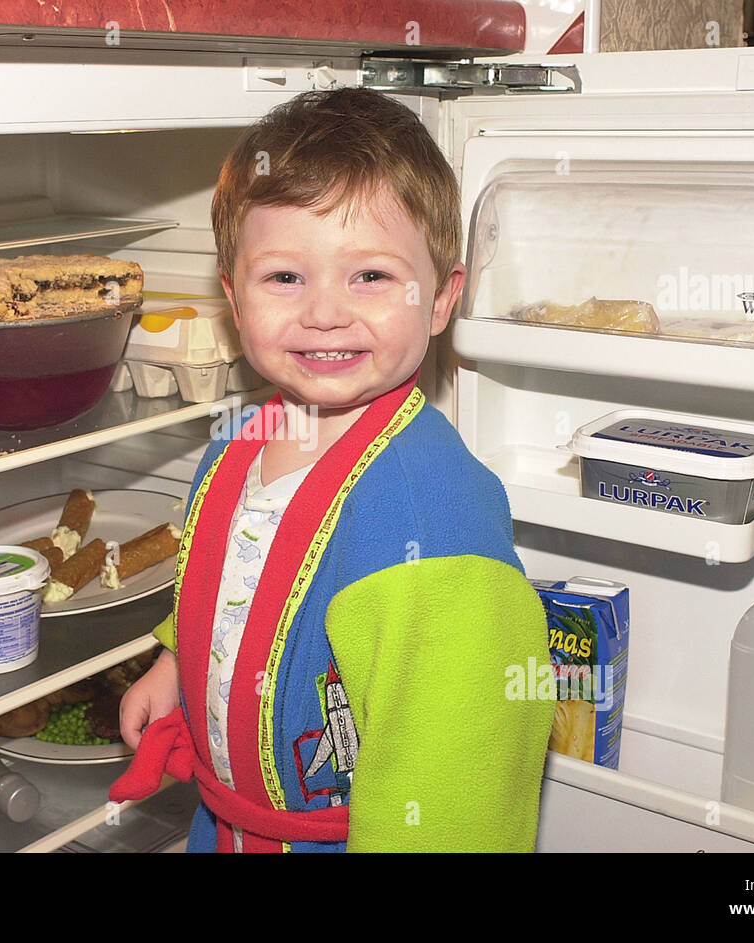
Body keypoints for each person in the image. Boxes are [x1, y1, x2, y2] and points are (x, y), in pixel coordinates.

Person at [110, 87, 553, 853]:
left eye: (371, 277)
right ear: (232, 296)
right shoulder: (234, 447)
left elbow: (457, 783)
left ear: (444, 297)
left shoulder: (432, 513)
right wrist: (175, 663)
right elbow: (226, 581)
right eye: (285, 277)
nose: (324, 312)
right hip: (222, 826)